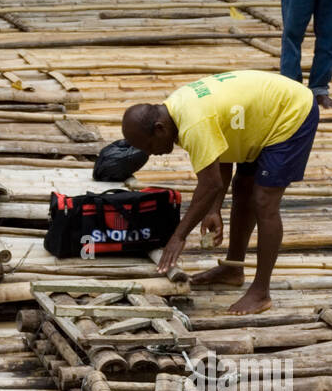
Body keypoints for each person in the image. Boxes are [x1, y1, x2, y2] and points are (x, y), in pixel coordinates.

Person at [122, 69, 319, 316]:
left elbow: (210, 183)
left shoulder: (192, 123)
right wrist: (213, 209)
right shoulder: (174, 110)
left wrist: (179, 236)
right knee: (243, 186)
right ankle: (233, 268)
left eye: (149, 146)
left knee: (264, 201)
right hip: (256, 117)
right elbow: (220, 151)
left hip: (290, 113)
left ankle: (261, 292)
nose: (151, 154)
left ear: (159, 129)